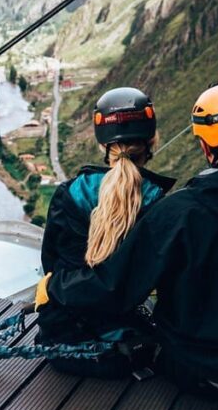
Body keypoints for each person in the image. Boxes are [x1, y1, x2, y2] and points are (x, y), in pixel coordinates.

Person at [36, 83, 218, 403]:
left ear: (205, 146)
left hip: (205, 376)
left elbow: (115, 287)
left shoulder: (175, 215)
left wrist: (54, 288)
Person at [37, 87, 175, 378]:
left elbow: (52, 264)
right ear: (152, 141)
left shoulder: (68, 195)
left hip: (63, 344)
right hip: (127, 351)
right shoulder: (160, 208)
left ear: (103, 147)